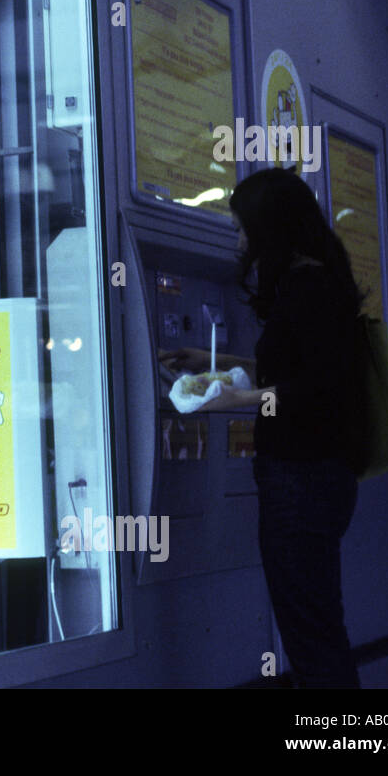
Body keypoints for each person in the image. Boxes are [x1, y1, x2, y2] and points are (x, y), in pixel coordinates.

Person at [160, 168, 366, 688]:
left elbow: (312, 394)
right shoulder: (317, 282)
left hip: (302, 482)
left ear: (270, 228)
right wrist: (212, 362)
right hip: (313, 480)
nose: (239, 240)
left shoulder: (309, 287)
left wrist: (240, 399)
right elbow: (292, 372)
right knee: (315, 626)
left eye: (242, 229)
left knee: (311, 635)